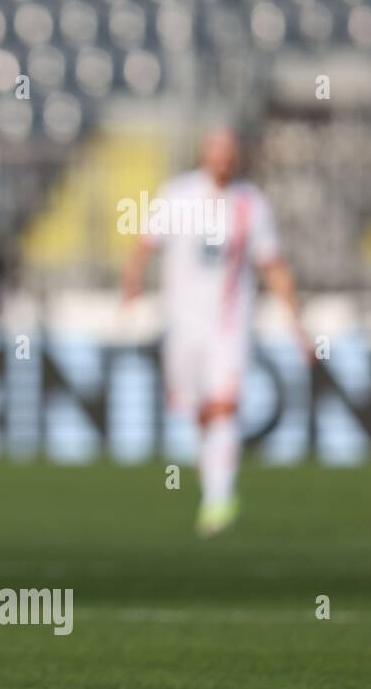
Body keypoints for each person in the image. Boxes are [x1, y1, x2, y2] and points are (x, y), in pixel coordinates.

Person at [122, 127, 309, 536]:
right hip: (183, 325)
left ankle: (219, 499)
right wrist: (131, 288)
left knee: (225, 403)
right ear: (204, 153)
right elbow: (145, 245)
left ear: (237, 157)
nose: (224, 158)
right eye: (217, 150)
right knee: (199, 411)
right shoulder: (178, 195)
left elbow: (272, 265)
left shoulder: (250, 203)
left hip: (229, 324)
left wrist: (299, 325)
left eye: (230, 151)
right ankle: (215, 489)